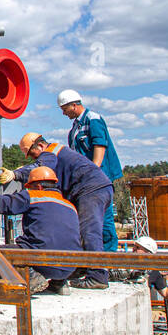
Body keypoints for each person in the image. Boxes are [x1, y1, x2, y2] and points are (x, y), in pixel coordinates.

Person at [2, 131, 114, 290]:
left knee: (89, 231)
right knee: (78, 231)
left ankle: (98, 276)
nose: (33, 158)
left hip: (91, 189)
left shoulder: (50, 153)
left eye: (32, 154)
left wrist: (16, 174)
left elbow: (41, 166)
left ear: (40, 145)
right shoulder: (56, 153)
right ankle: (80, 268)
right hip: (93, 188)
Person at [0, 166, 81, 294]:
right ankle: (59, 284)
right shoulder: (69, 205)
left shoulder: (33, 196)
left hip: (43, 262)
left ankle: (31, 276)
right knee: (55, 244)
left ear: (38, 186)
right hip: (69, 266)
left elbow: (0, 203)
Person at [57, 90, 122, 252]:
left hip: (99, 179)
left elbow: (100, 146)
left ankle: (109, 257)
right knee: (90, 220)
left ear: (74, 105)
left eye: (65, 109)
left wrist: (93, 173)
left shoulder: (93, 120)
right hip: (86, 181)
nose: (64, 113)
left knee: (104, 218)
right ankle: (93, 256)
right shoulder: (75, 128)